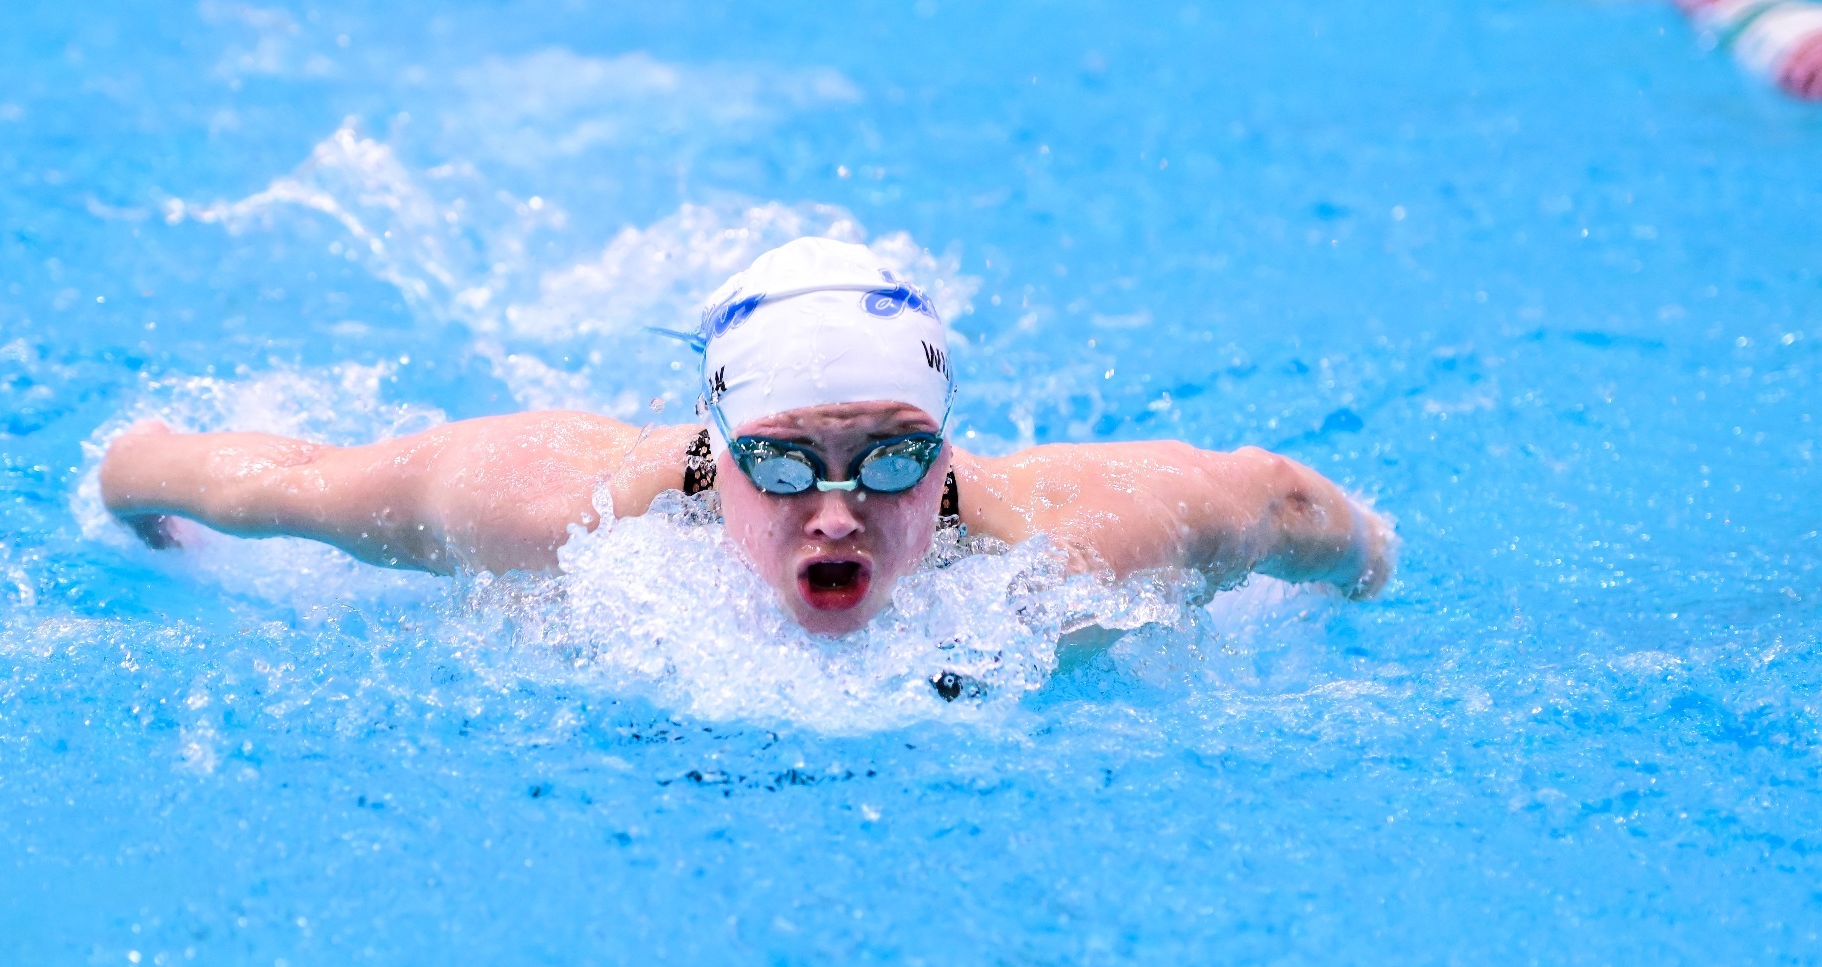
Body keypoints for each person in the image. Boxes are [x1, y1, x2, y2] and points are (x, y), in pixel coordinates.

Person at [100, 237, 1397, 638]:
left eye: (891, 455)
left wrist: (1372, 569)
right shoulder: (538, 508)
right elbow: (272, 482)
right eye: (786, 461)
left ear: (949, 454)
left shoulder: (1079, 545)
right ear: (717, 455)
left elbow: (1280, 504)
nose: (837, 508)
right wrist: (130, 484)